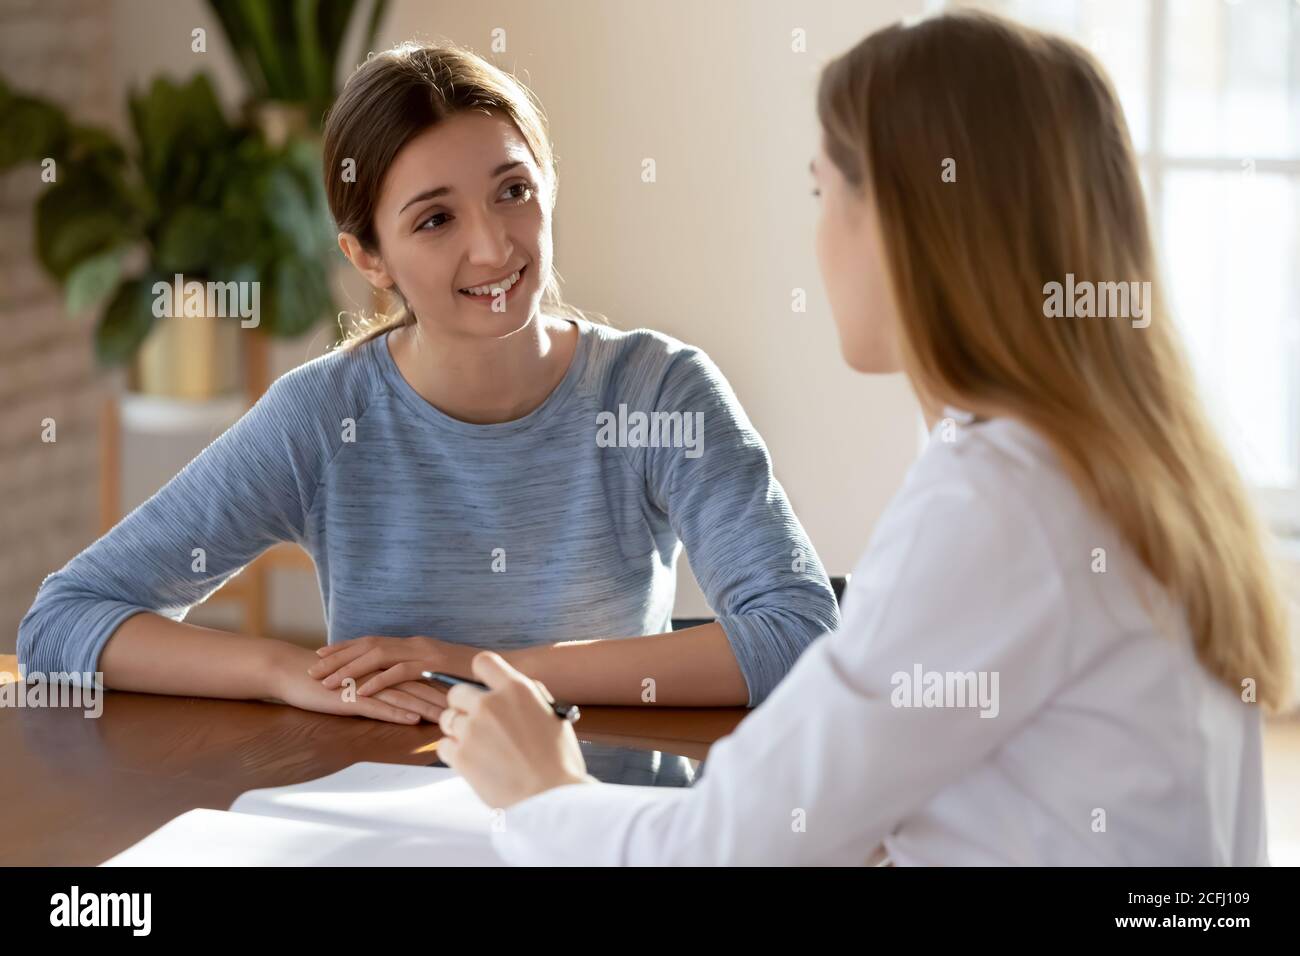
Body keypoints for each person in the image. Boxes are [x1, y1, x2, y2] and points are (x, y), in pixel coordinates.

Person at [435, 12, 1293, 866]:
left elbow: (725, 851)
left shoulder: (996, 500)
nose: (818, 238)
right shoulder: (1137, 464)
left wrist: (541, 791)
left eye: (824, 192)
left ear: (909, 223)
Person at [17, 43, 839, 723]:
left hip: (599, 811)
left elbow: (797, 634)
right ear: (369, 258)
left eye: (513, 192)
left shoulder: (658, 393)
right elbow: (62, 623)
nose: (493, 249)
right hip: (386, 810)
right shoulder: (327, 415)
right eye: (436, 219)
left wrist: (478, 668)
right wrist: (283, 669)